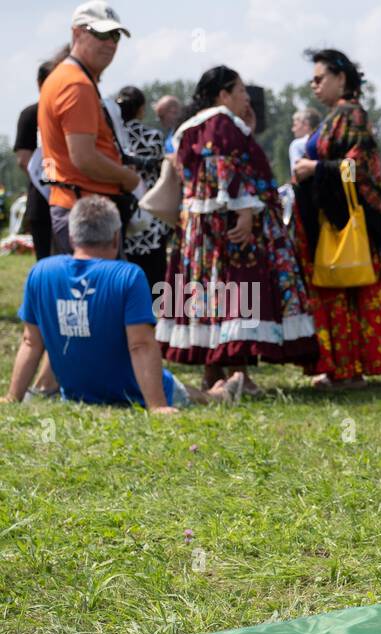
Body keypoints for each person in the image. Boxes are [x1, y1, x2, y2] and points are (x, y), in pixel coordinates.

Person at [156, 66, 318, 392]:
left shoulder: (189, 128)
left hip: (199, 229)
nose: (246, 97)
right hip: (227, 227)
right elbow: (223, 166)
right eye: (241, 90)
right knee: (234, 292)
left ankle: (213, 372)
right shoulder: (221, 122)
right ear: (223, 95)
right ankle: (237, 373)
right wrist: (244, 209)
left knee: (209, 293)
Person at [3, 196, 240, 411]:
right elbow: (141, 345)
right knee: (180, 390)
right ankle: (218, 395)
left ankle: (216, 392)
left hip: (77, 393)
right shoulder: (127, 276)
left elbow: (30, 343)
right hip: (132, 391)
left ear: (72, 236)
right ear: (117, 236)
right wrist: (157, 406)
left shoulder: (41, 272)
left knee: (179, 387)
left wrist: (13, 397)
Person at [293, 48, 381, 390]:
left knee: (344, 292)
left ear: (341, 78)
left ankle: (348, 371)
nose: (314, 86)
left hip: (344, 224)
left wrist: (314, 168)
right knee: (336, 293)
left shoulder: (353, 115)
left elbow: (359, 167)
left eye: (320, 79)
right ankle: (340, 368)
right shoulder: (336, 115)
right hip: (329, 219)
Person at [37, 2, 141, 257]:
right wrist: (129, 179)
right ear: (77, 33)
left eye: (115, 35)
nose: (111, 43)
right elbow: (84, 158)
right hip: (87, 211)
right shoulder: (76, 84)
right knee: (103, 294)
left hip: (77, 205)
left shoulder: (68, 78)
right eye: (101, 33)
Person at [115, 85, 169, 288]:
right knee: (156, 280)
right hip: (151, 213)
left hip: (124, 211)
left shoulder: (115, 139)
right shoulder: (153, 137)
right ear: (141, 109)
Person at [13, 54, 67, 261]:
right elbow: (24, 160)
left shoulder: (69, 112)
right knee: (47, 261)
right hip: (43, 198)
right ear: (40, 83)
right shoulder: (31, 114)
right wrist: (50, 177)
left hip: (68, 199)